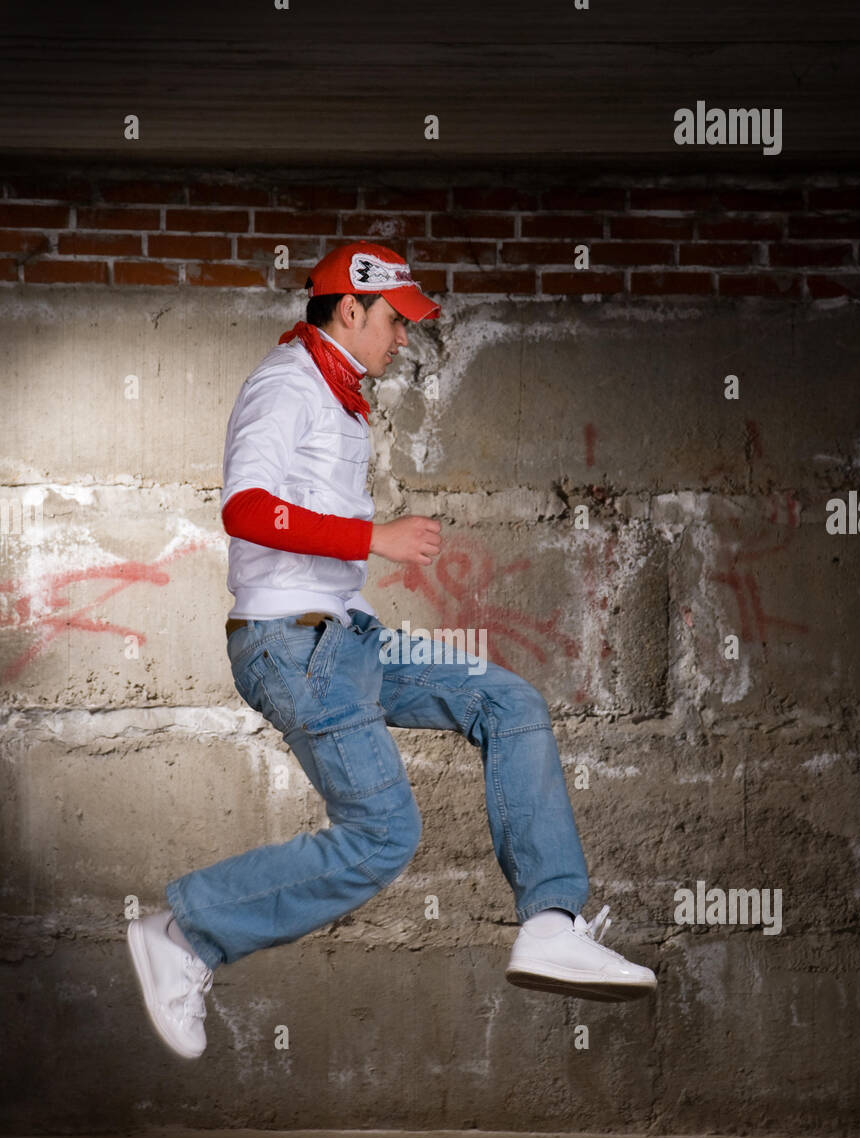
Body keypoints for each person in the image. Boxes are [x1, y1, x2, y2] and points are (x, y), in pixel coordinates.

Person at [127, 240, 656, 1060]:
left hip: (346, 636)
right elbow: (246, 510)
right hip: (291, 645)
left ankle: (551, 923)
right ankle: (185, 933)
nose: (404, 338)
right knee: (381, 837)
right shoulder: (286, 386)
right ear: (351, 308)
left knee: (508, 701)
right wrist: (374, 536)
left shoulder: (336, 391)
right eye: (396, 322)